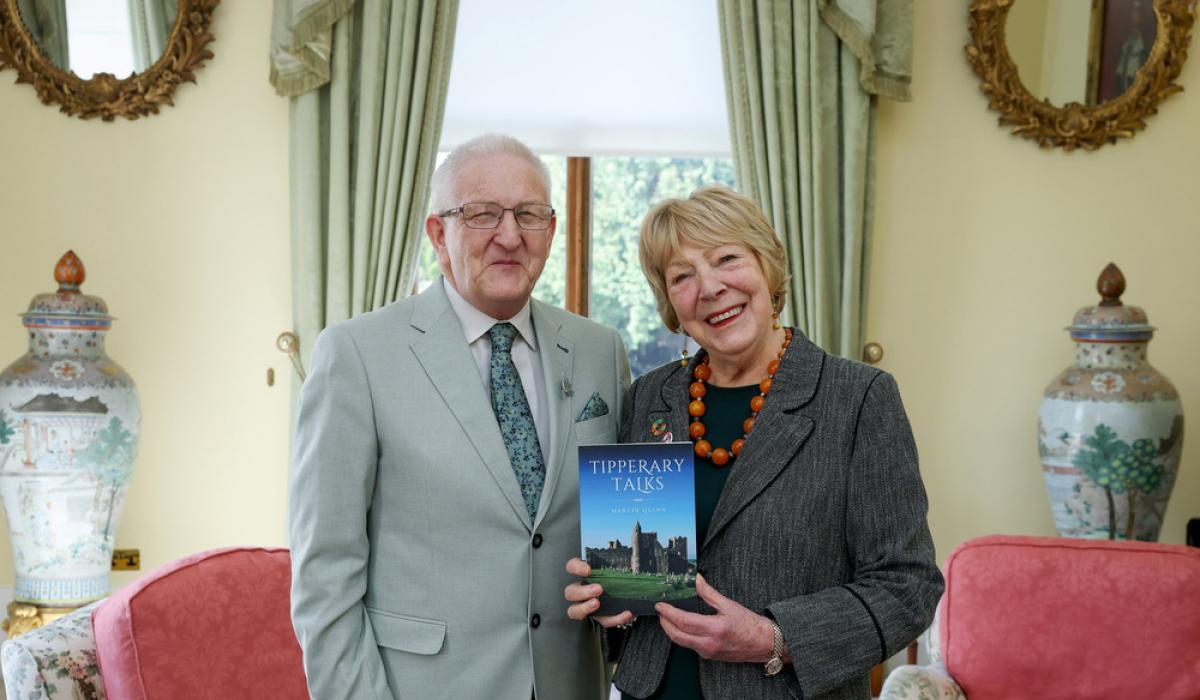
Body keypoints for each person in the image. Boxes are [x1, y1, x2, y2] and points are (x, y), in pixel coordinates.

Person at [564, 185, 943, 699]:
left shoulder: (859, 399)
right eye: (682, 276)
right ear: (671, 304)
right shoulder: (650, 397)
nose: (711, 287)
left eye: (726, 259)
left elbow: (908, 585)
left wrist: (775, 637)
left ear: (768, 266)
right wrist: (607, 600)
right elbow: (637, 586)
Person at [290, 134, 630, 700]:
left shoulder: (600, 349)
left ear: (551, 229)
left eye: (528, 214)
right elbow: (325, 577)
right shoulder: (357, 354)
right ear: (437, 234)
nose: (509, 235)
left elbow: (616, 530)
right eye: (481, 214)